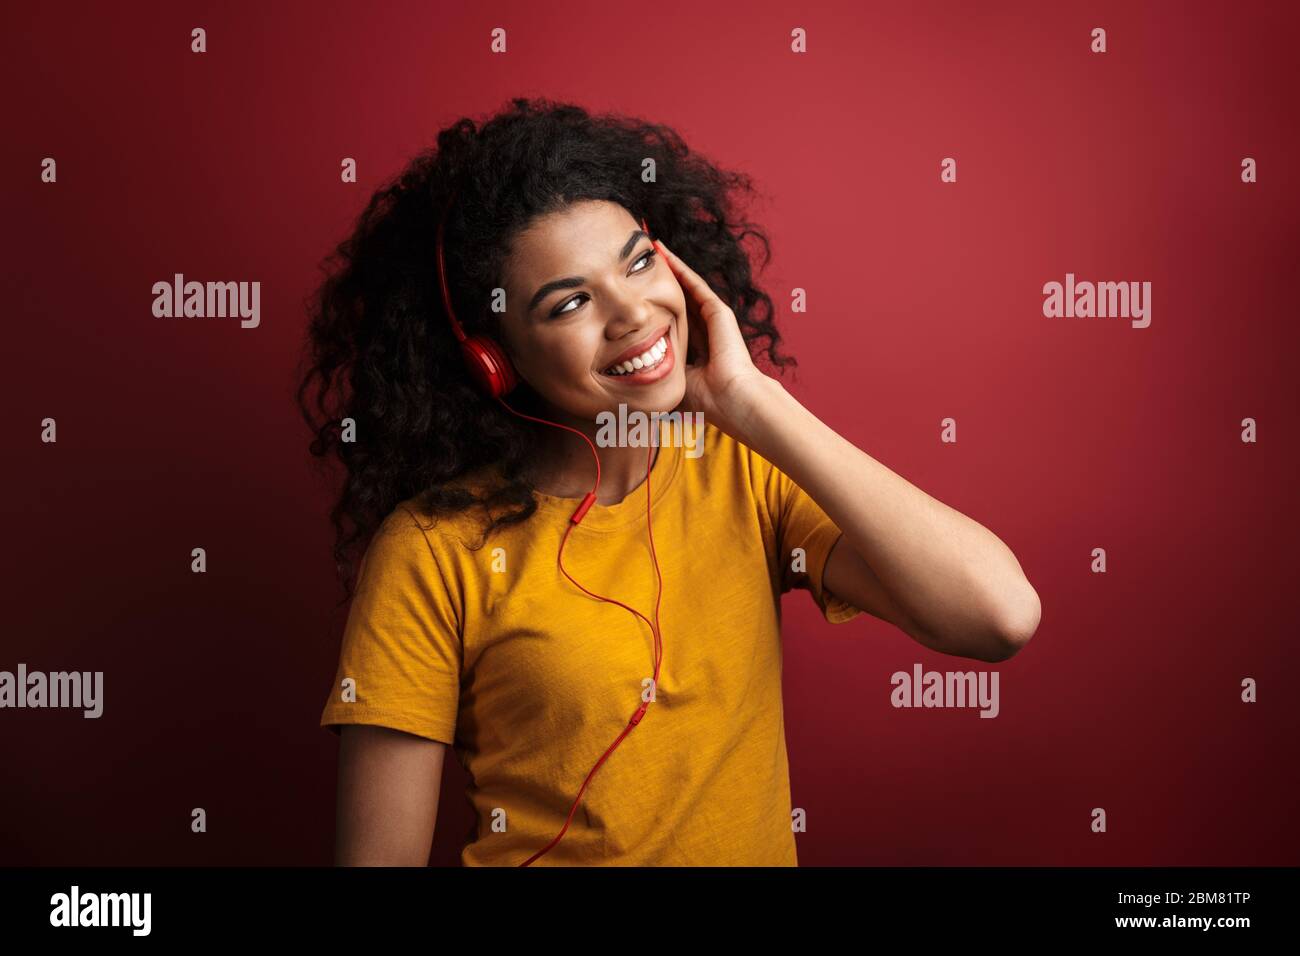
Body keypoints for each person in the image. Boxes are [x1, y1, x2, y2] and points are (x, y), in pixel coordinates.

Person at [296, 97, 1041, 867]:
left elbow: (999, 616)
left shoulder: (742, 467)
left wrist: (752, 403)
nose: (633, 314)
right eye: (571, 303)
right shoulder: (431, 551)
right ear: (494, 360)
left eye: (639, 261)